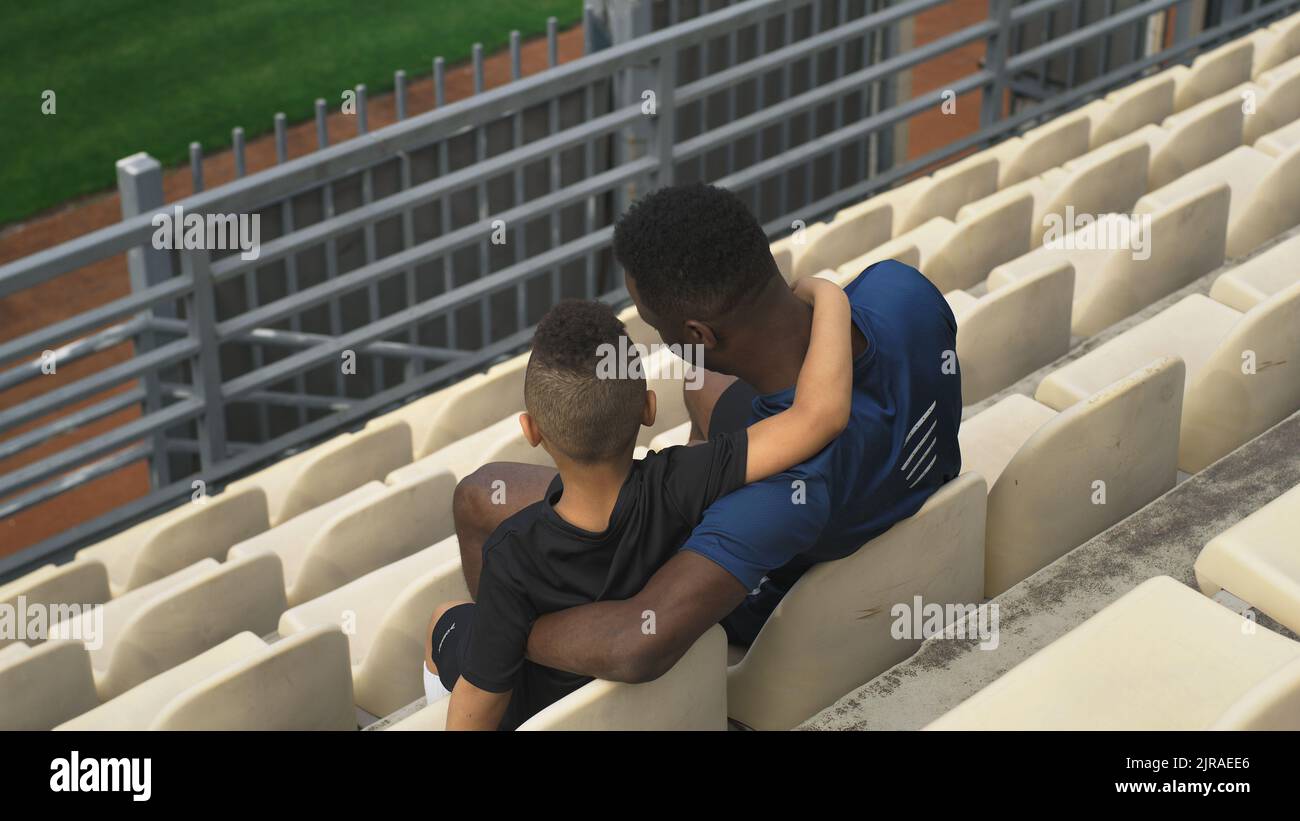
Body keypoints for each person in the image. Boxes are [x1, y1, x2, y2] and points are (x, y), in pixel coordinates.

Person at [455, 182, 963, 689]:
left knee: (479, 496)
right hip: (893, 478)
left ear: (698, 335)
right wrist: (826, 292)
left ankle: (514, 684)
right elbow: (821, 405)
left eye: (656, 324)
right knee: (703, 385)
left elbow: (635, 646)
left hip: (771, 583)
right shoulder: (903, 289)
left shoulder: (772, 496)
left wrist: (504, 633)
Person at [426, 276, 853, 730]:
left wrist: (499, 639)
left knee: (443, 619)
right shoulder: (685, 477)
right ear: (648, 409)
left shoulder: (510, 557)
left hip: (544, 711)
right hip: (661, 705)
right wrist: (828, 294)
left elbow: (475, 715)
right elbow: (818, 416)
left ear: (531, 431)